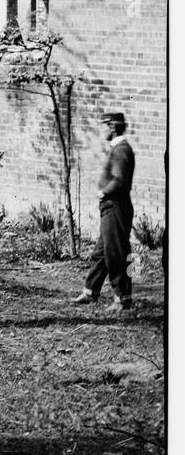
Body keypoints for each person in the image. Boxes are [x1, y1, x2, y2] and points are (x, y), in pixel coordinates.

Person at [73, 111, 136, 313]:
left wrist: (102, 192)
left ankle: (123, 299)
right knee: (102, 252)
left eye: (105, 126)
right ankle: (90, 291)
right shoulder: (118, 148)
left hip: (115, 206)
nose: (103, 131)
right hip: (111, 207)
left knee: (116, 253)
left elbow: (120, 180)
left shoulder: (121, 150)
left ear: (112, 127)